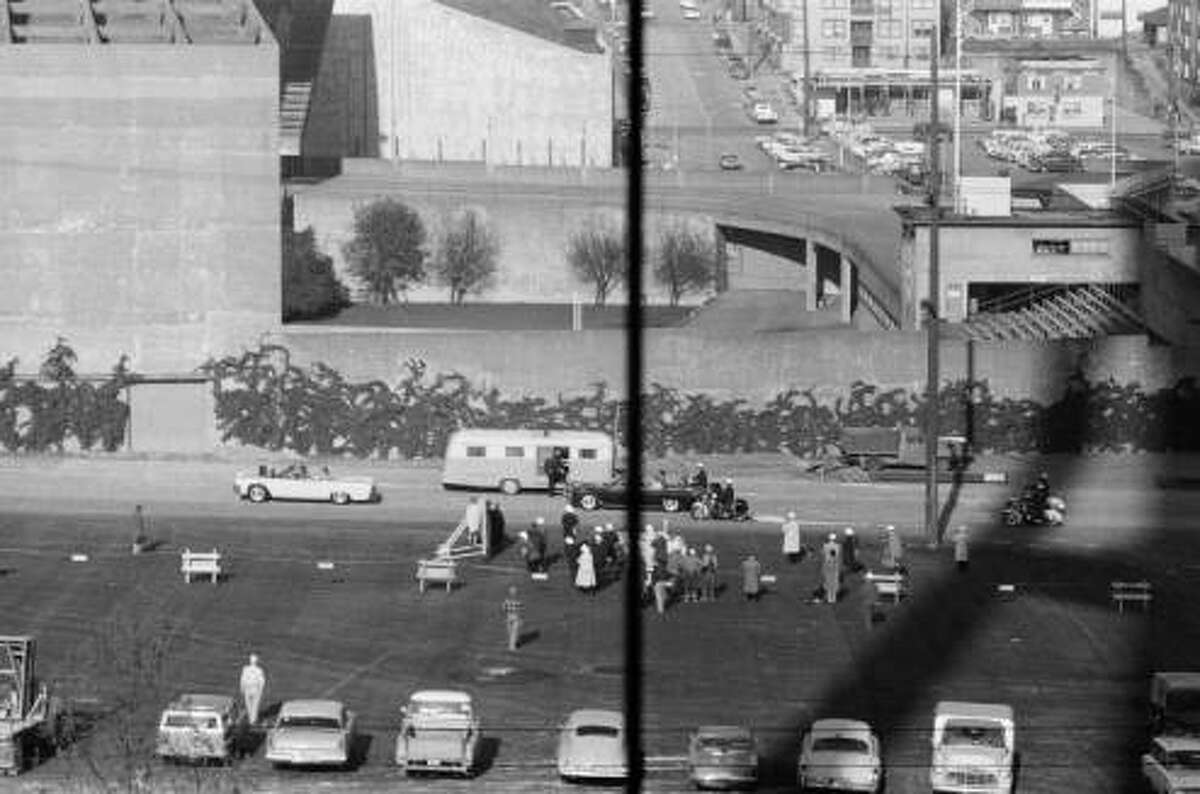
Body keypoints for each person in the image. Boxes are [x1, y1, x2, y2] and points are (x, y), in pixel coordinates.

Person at [239, 653, 266, 726]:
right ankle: (252, 721)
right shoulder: (259, 670)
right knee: (254, 706)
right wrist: (261, 690)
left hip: (248, 689)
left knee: (249, 706)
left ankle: (251, 721)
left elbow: (242, 680)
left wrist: (242, 689)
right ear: (256, 661)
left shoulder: (245, 669)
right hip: (255, 689)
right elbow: (262, 682)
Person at [821, 534, 841, 604]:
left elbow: (823, 554)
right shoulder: (837, 546)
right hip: (835, 565)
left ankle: (829, 598)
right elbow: (837, 555)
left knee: (828, 580)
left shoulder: (825, 546)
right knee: (834, 580)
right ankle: (833, 598)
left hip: (827, 564)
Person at [502, 586, 523, 651]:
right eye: (512, 592)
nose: (513, 593)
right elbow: (503, 609)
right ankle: (516, 641)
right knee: (510, 632)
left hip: (515, 618)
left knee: (514, 632)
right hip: (509, 618)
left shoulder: (518, 601)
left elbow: (520, 611)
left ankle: (512, 647)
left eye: (514, 592)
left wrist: (520, 619)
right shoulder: (506, 601)